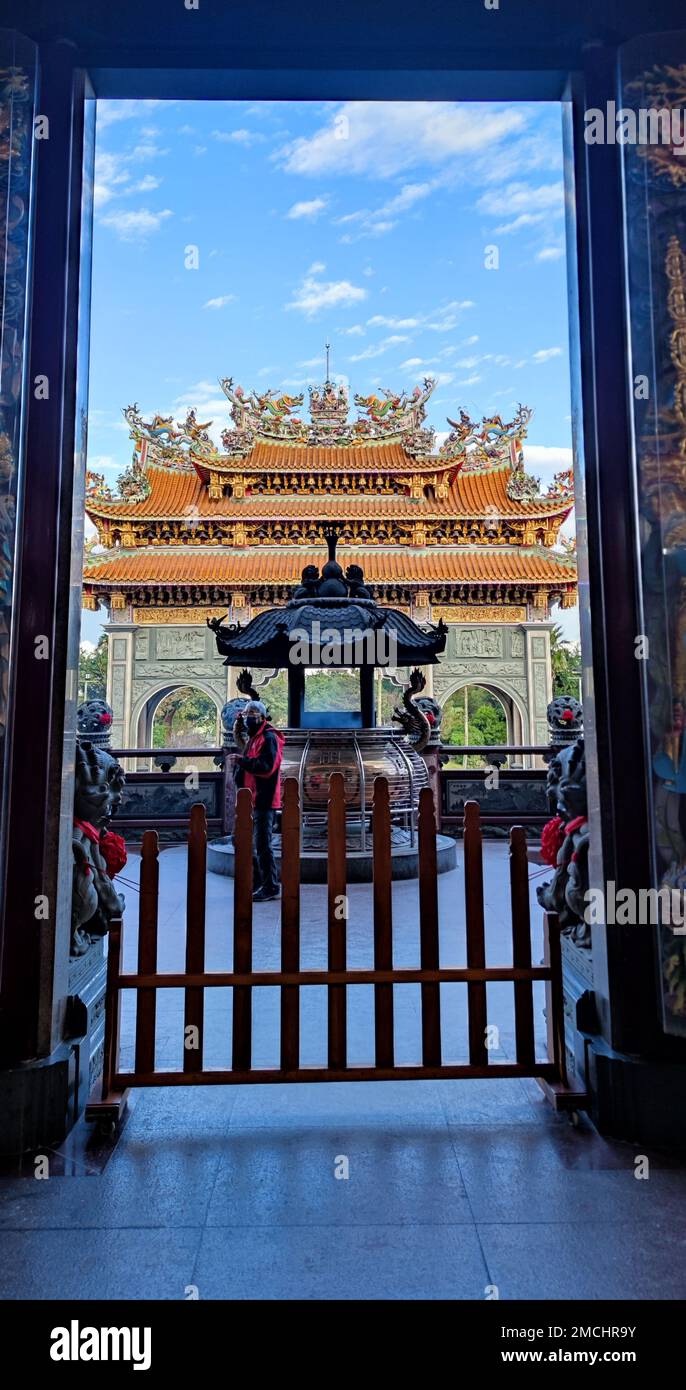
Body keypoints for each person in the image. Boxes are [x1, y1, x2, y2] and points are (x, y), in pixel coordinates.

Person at [233, 700, 285, 902]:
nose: (248, 716)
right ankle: (257, 882)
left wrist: (242, 761)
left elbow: (267, 767)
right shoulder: (254, 738)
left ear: (262, 717)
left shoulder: (269, 738)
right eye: (246, 713)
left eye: (252, 713)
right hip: (250, 799)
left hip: (264, 799)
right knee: (245, 841)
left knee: (263, 844)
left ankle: (270, 885)